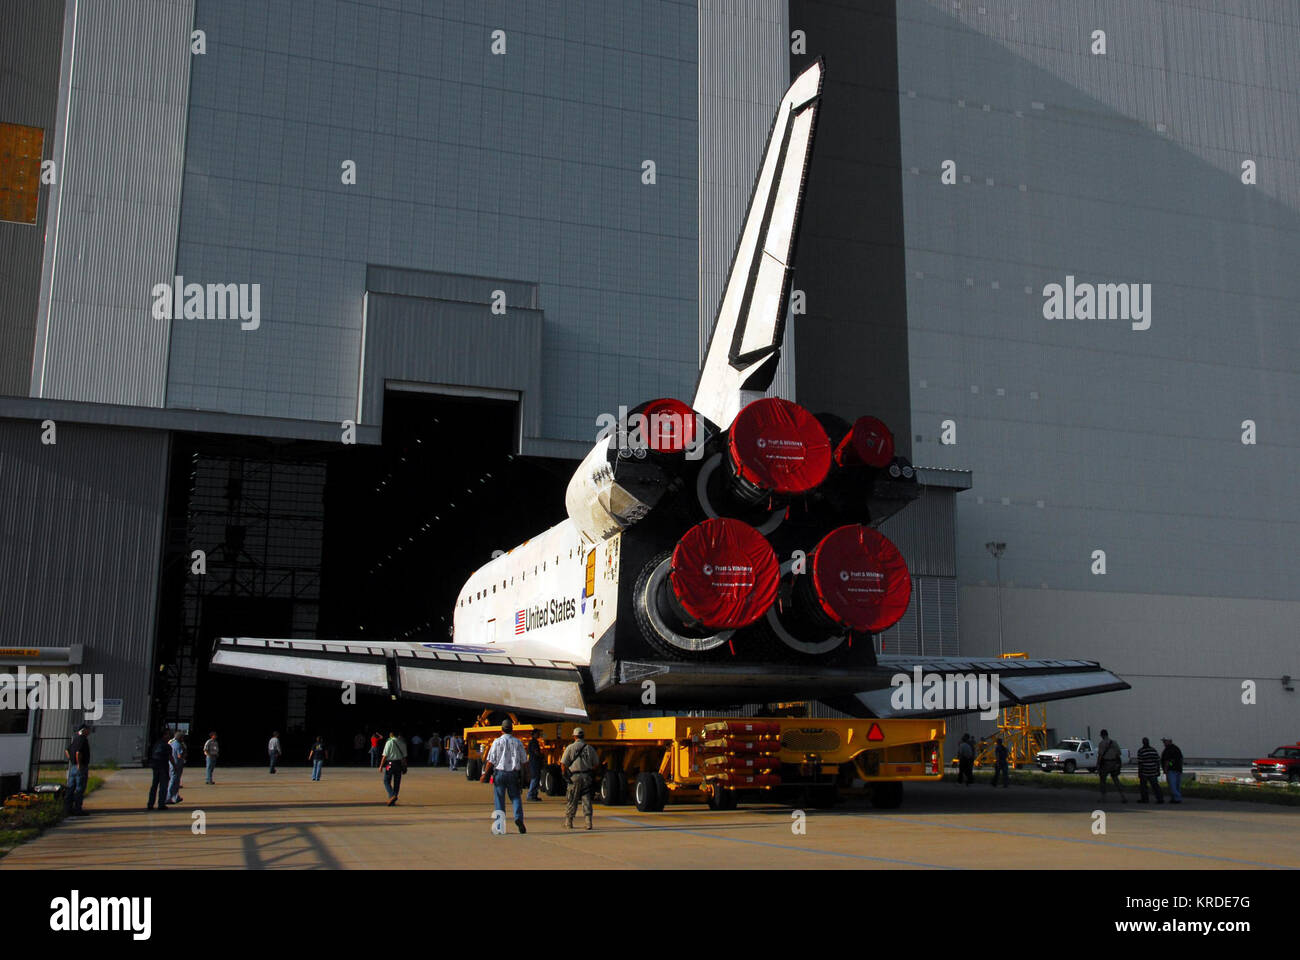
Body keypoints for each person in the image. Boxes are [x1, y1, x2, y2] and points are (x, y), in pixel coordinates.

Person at [484, 718, 529, 833]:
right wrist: (527, 775)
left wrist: (485, 774)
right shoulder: (518, 742)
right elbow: (524, 761)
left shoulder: (497, 742)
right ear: (512, 730)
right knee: (515, 798)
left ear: (501, 730)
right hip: (513, 774)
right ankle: (518, 818)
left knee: (499, 799)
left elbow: (491, 761)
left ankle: (499, 827)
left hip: (500, 773)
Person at [561, 727, 599, 830]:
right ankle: (588, 823)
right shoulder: (589, 748)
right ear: (583, 736)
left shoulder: (570, 748)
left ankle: (569, 822)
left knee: (572, 799)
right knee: (586, 799)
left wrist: (565, 775)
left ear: (574, 736)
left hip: (574, 776)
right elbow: (596, 764)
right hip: (586, 776)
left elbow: (563, 764)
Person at [64, 724, 91, 816]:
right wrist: (79, 763)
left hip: (73, 767)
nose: (89, 731)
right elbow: (78, 752)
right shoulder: (82, 740)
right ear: (84, 730)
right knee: (79, 788)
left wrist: (72, 760)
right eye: (88, 730)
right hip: (80, 767)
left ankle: (67, 809)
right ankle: (77, 809)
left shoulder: (75, 739)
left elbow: (67, 750)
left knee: (70, 788)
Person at [1096, 729, 1126, 802]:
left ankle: (1103, 797)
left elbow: (1100, 755)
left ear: (1102, 735)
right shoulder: (1114, 742)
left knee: (1103, 780)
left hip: (1105, 763)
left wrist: (1098, 764)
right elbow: (1119, 753)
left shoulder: (1101, 743)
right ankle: (1123, 796)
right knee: (1116, 780)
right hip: (1114, 763)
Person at [147, 730, 173, 811]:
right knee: (163, 786)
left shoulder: (156, 744)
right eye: (168, 735)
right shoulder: (166, 746)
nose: (169, 737)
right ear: (164, 736)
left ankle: (150, 804)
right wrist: (175, 766)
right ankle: (161, 804)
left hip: (155, 766)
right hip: (163, 767)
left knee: (154, 786)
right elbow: (170, 757)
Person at [381, 730, 407, 805]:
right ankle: (392, 800)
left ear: (391, 735)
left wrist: (381, 766)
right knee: (397, 782)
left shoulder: (389, 742)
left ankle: (392, 795)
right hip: (399, 763)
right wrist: (405, 766)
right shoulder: (402, 743)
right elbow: (404, 757)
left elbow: (385, 755)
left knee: (386, 780)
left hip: (390, 763)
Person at [1136, 737, 1163, 804]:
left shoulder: (1141, 751)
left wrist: (1139, 772)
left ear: (1143, 743)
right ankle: (1160, 799)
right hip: (1153, 771)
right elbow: (1157, 761)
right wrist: (1158, 770)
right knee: (1155, 786)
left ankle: (1145, 799)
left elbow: (1140, 763)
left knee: (1144, 787)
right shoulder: (1153, 750)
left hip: (1144, 772)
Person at [1161, 736, 1184, 804]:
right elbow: (1180, 759)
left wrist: (1166, 767)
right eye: (1163, 741)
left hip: (1172, 770)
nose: (1164, 743)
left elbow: (1169, 761)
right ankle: (1174, 798)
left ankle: (1178, 797)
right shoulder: (1177, 748)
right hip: (1178, 769)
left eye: (1165, 741)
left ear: (1170, 741)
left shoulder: (1168, 750)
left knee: (1172, 786)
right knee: (1177, 786)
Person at [167, 731, 186, 804]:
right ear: (180, 738)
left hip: (172, 764)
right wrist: (184, 755)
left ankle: (175, 797)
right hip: (177, 764)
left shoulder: (172, 743)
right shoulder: (178, 745)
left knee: (175, 781)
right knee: (173, 781)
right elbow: (180, 755)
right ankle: (168, 797)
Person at [526, 729, 544, 801]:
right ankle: (530, 795)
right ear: (534, 734)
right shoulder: (534, 742)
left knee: (536, 778)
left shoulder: (533, 742)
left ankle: (534, 795)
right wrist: (541, 756)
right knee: (535, 778)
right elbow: (536, 752)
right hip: (534, 762)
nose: (539, 735)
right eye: (538, 733)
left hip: (534, 762)